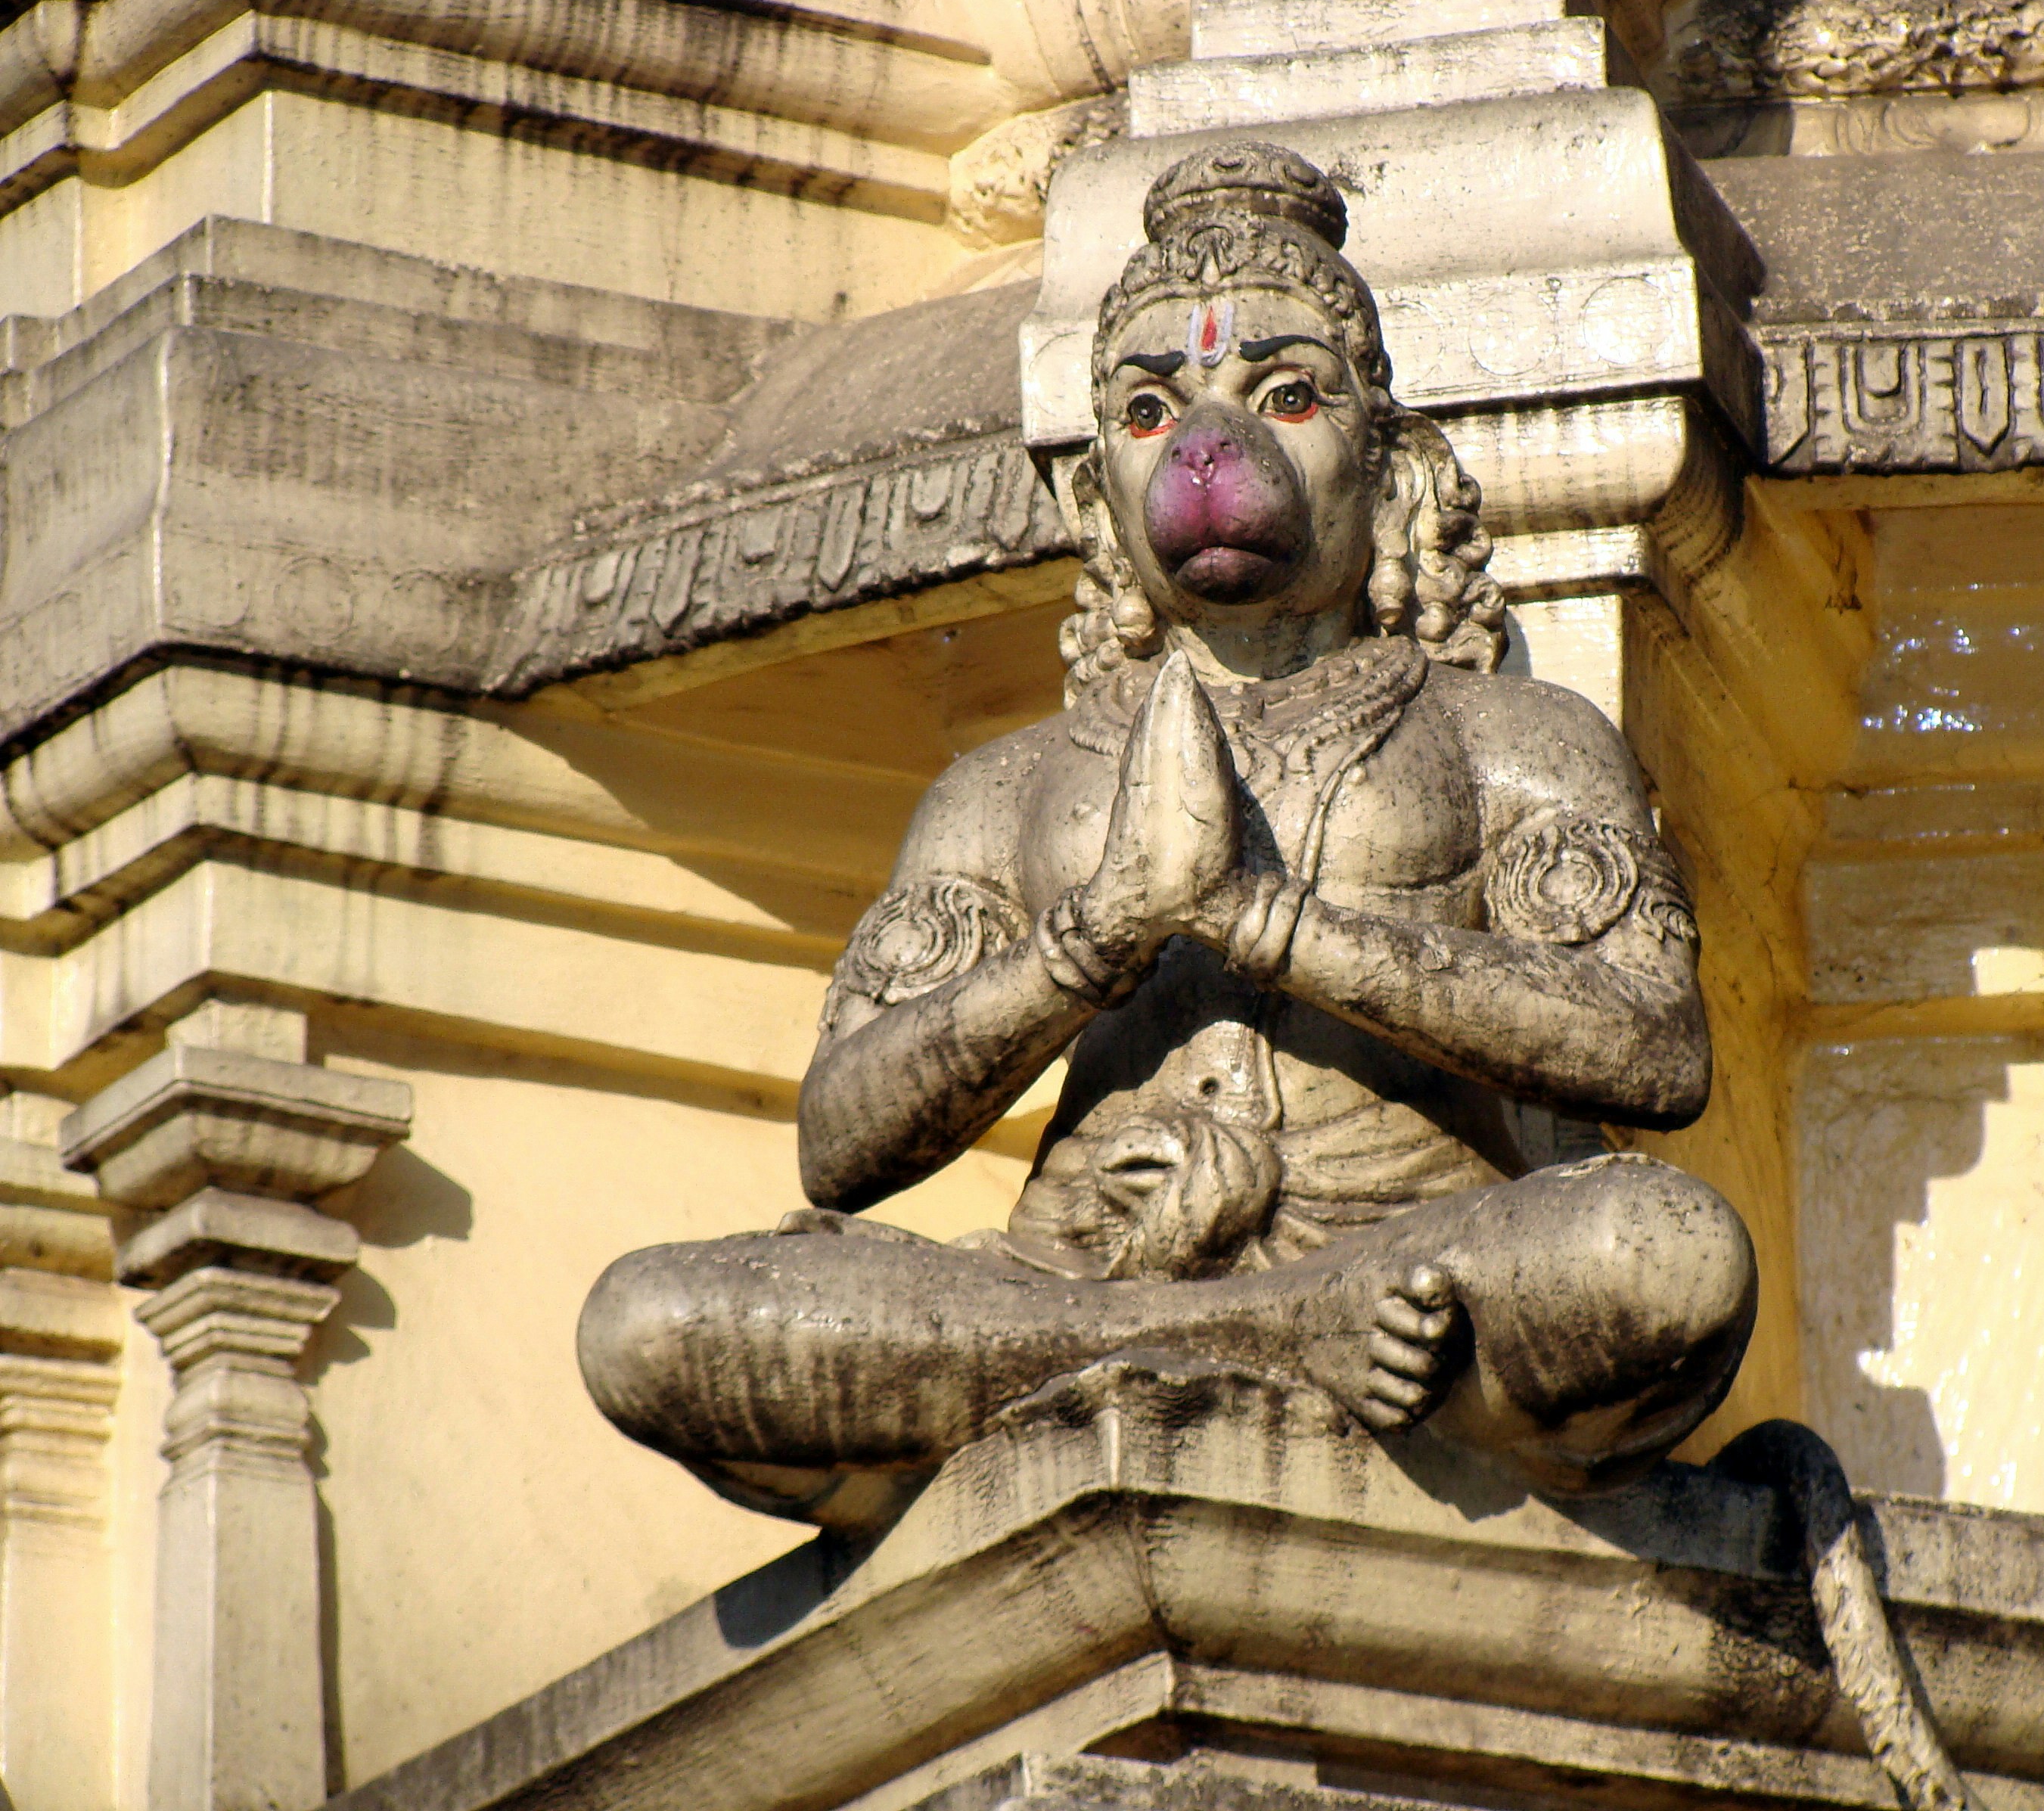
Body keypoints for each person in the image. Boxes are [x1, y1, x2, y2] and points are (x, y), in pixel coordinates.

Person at [578, 143, 1756, 1527]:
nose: (1209, 451)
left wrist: (1273, 921)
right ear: (1098, 504)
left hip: (1427, 1261)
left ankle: (1182, 1345)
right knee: (649, 1325)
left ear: (1390, 466)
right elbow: (841, 1142)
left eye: (1287, 395)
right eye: (1149, 409)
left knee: (1660, 1253)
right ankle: (1260, 1336)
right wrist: (1097, 937)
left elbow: (1655, 1049)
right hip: (1072, 1278)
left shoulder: (1514, 740)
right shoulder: (1001, 790)